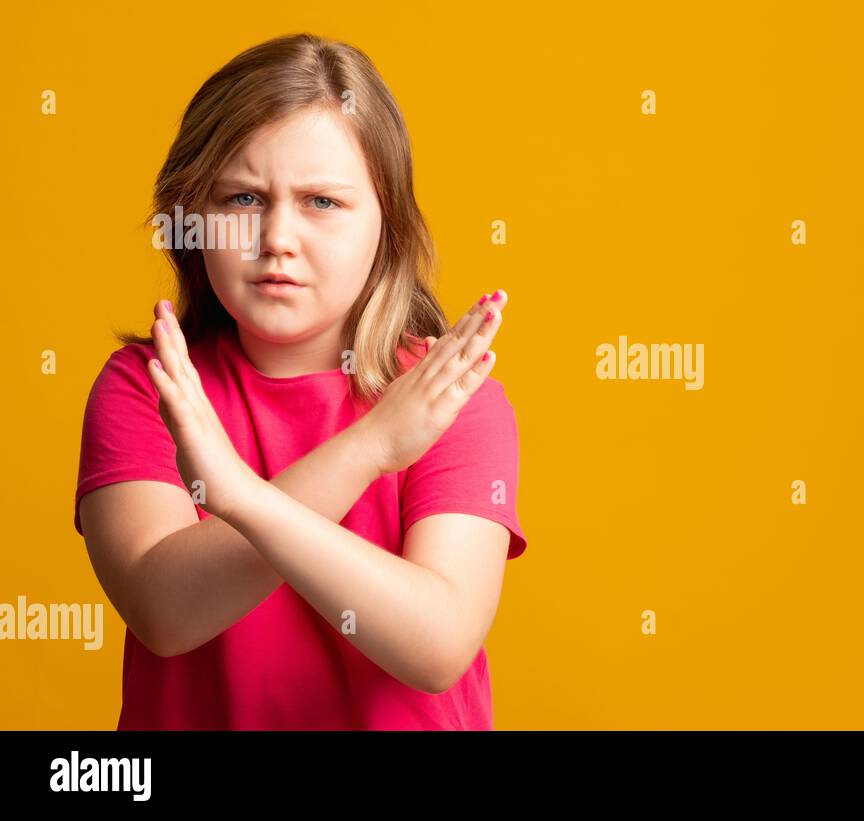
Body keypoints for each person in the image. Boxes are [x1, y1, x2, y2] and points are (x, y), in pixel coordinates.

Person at [74, 33, 527, 730]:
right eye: (243, 198)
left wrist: (241, 499)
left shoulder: (447, 396)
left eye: (321, 202)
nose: (277, 236)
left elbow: (437, 644)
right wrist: (368, 450)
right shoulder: (148, 388)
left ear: (388, 225)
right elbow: (166, 611)